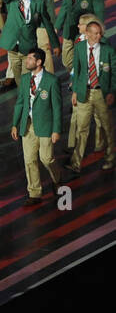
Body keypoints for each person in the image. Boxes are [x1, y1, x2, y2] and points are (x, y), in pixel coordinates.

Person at [11, 48, 63, 204]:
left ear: (39, 62)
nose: (26, 61)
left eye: (30, 59)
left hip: (46, 126)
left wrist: (56, 130)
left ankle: (57, 178)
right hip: (28, 126)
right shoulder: (25, 79)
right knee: (29, 160)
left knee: (46, 159)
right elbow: (20, 103)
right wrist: (15, 124)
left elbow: (57, 107)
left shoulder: (51, 81)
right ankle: (34, 193)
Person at [68, 20, 116, 173]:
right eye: (95, 33)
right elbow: (78, 71)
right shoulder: (80, 48)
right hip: (85, 93)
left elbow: (114, 73)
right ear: (87, 33)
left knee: (107, 128)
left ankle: (110, 159)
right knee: (82, 129)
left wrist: (111, 92)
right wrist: (75, 91)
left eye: (99, 33)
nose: (98, 35)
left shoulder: (108, 50)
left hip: (101, 93)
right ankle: (76, 163)